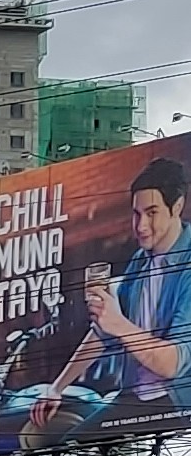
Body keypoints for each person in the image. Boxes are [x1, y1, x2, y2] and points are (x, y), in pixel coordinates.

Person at [22, 157, 191, 439]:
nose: (141, 225)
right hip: (133, 398)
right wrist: (57, 387)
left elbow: (173, 364)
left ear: (177, 207)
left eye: (152, 213)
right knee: (69, 450)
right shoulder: (141, 261)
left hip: (176, 406)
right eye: (136, 214)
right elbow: (103, 333)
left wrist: (118, 324)